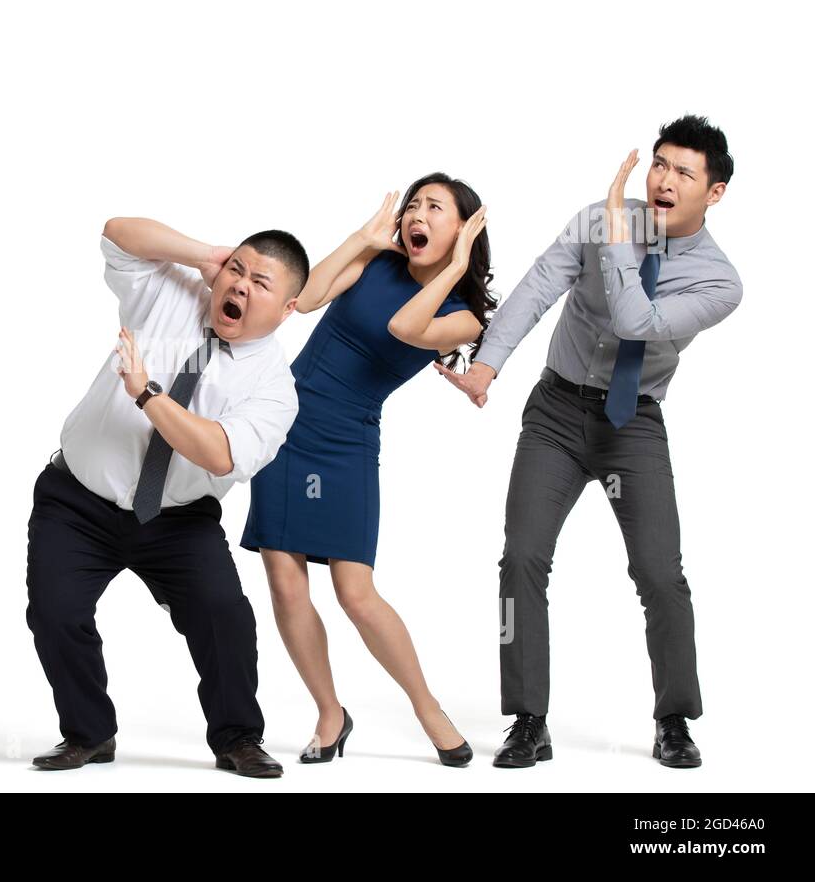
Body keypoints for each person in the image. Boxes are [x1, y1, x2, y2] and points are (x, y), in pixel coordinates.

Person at [437, 115, 743, 769]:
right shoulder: (593, 219)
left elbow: (638, 321)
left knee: (660, 574)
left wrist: (614, 235)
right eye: (658, 163)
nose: (663, 180)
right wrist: (486, 366)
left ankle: (673, 721)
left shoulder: (720, 282)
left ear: (713, 192)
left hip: (631, 426)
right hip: (555, 412)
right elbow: (538, 288)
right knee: (520, 558)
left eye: (683, 172)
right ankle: (527, 720)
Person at [26, 217, 308, 777]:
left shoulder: (275, 387)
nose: (241, 287)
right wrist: (207, 255)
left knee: (224, 615)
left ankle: (237, 738)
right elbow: (117, 232)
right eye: (237, 272)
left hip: (178, 521)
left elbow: (219, 454)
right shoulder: (174, 292)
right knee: (55, 612)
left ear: (288, 308)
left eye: (261, 283)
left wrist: (147, 394)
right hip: (77, 500)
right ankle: (89, 733)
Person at [240, 175, 492, 766]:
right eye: (413, 205)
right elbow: (307, 296)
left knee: (355, 591)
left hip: (347, 442)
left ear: (463, 229)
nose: (415, 215)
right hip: (284, 422)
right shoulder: (379, 259)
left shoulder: (465, 318)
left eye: (434, 207)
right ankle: (330, 712)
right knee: (284, 579)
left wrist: (454, 269)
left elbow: (407, 329)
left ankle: (426, 706)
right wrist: (363, 237)